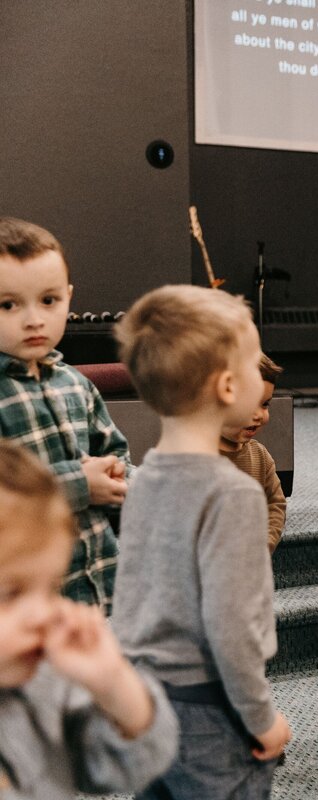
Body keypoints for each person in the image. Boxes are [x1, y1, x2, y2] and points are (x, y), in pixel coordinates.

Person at [112, 285, 290, 798]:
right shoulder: (233, 494)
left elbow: (130, 593)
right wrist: (261, 718)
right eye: (254, 364)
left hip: (147, 699)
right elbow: (231, 628)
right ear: (229, 386)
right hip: (210, 707)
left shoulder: (143, 476)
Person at [0, 440, 177, 799]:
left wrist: (113, 684)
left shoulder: (44, 682)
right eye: (11, 593)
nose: (43, 613)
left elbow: (130, 764)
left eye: (52, 588)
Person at [0, 217, 130, 612]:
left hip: (101, 583)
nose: (34, 319)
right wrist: (78, 484)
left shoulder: (76, 384)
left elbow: (116, 455)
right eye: (8, 304)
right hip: (26, 603)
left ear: (69, 297)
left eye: (49, 300)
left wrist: (123, 483)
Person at [219, 354, 287, 552]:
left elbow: (275, 503)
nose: (258, 414)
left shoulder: (260, 456)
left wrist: (266, 544)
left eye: (264, 404)